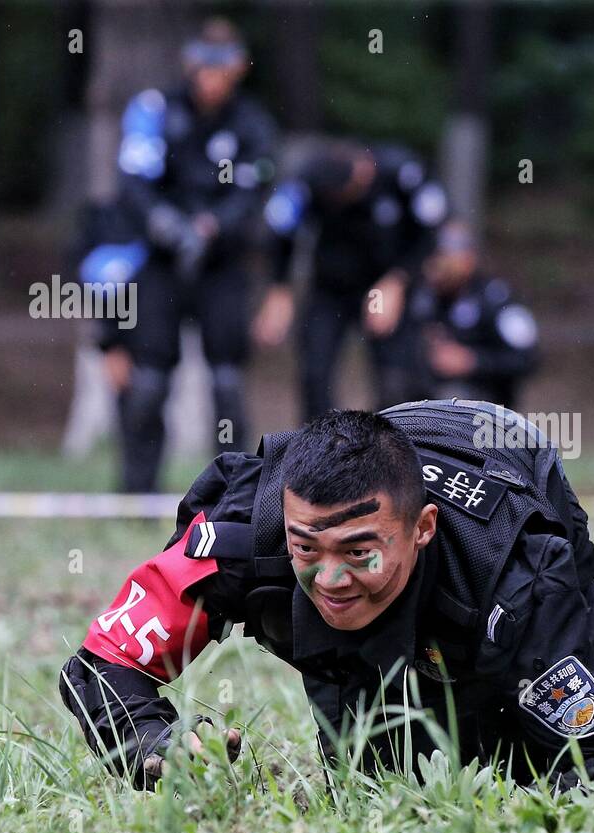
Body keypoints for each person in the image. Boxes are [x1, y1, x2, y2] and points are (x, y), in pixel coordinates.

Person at [58, 401, 594, 791]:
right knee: (377, 783)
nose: (329, 579)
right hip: (392, 450)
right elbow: (98, 667)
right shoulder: (242, 533)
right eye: (307, 550)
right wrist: (148, 738)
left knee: (517, 763)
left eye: (358, 553)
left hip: (507, 458)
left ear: (422, 528)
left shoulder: (520, 574)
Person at [100, 18, 276, 493]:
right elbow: (133, 181)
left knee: (226, 380)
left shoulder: (252, 123)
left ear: (238, 68)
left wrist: (211, 228)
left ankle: (237, 495)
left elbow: (253, 191)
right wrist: (164, 223)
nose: (212, 77)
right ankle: (136, 492)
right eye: (205, 65)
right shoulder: (154, 109)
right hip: (160, 263)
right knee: (150, 381)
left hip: (221, 265)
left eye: (223, 67)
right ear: (189, 62)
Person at [254, 142, 449, 416]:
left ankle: (393, 450)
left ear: (362, 174)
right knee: (314, 371)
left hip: (385, 284)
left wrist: (398, 281)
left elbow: (430, 235)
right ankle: (318, 451)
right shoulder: (308, 180)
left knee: (396, 378)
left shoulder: (403, 174)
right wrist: (280, 289)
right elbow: (282, 232)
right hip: (331, 287)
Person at [407, 221, 540, 408]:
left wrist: (473, 361)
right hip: (427, 398)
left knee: (453, 397)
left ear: (468, 259)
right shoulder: (425, 299)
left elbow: (526, 359)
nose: (437, 267)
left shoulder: (495, 300)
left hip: (486, 409)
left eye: (446, 258)